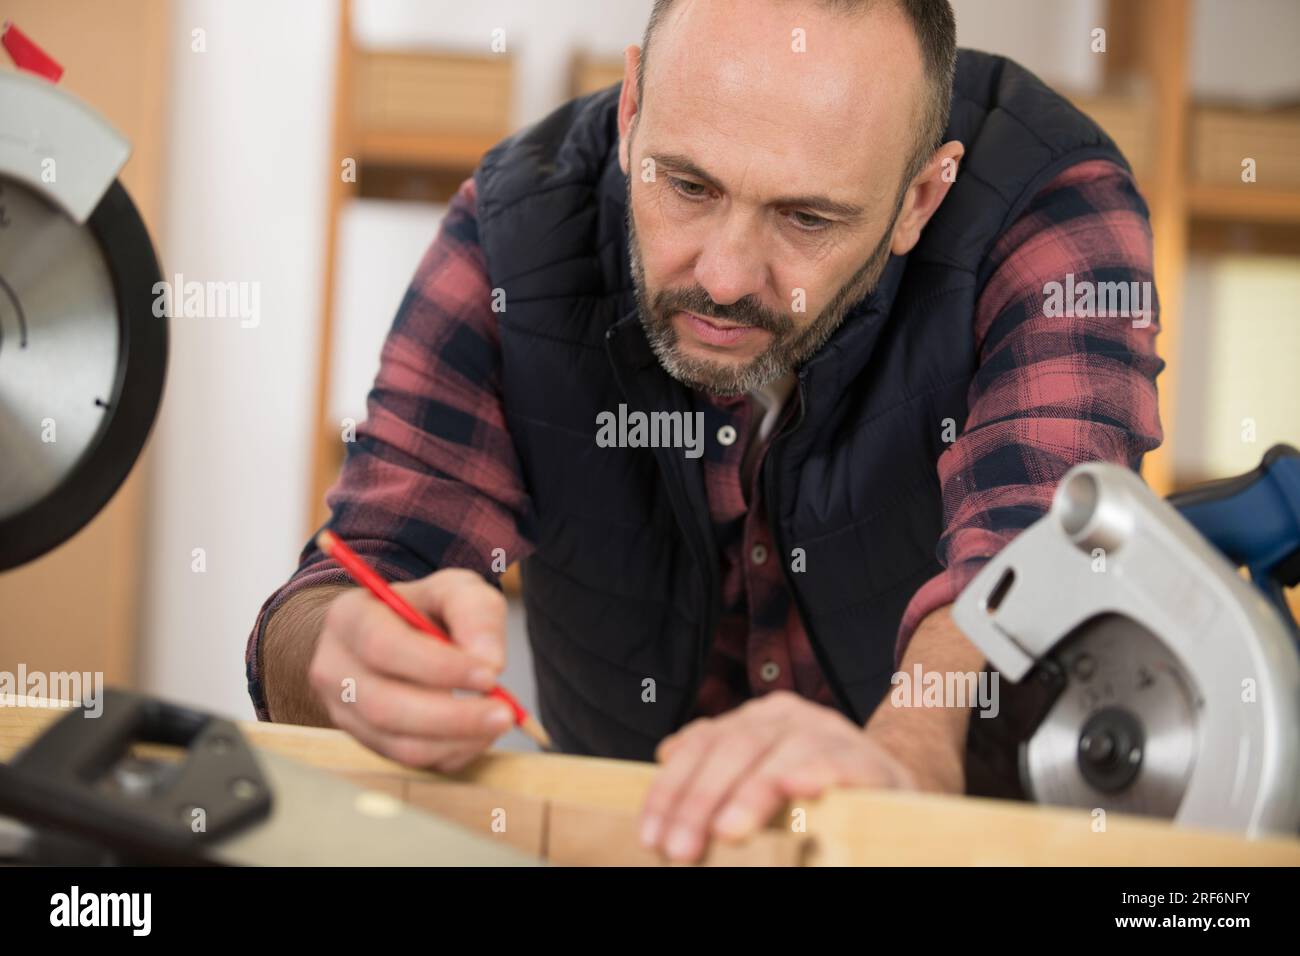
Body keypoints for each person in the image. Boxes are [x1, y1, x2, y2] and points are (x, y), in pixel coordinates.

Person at [247, 0, 1162, 862]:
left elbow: (1035, 557)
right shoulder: (515, 231)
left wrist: (907, 760)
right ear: (632, 106)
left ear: (920, 199)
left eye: (807, 217)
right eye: (687, 184)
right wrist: (338, 657)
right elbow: (347, 579)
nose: (723, 278)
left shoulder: (1047, 205)